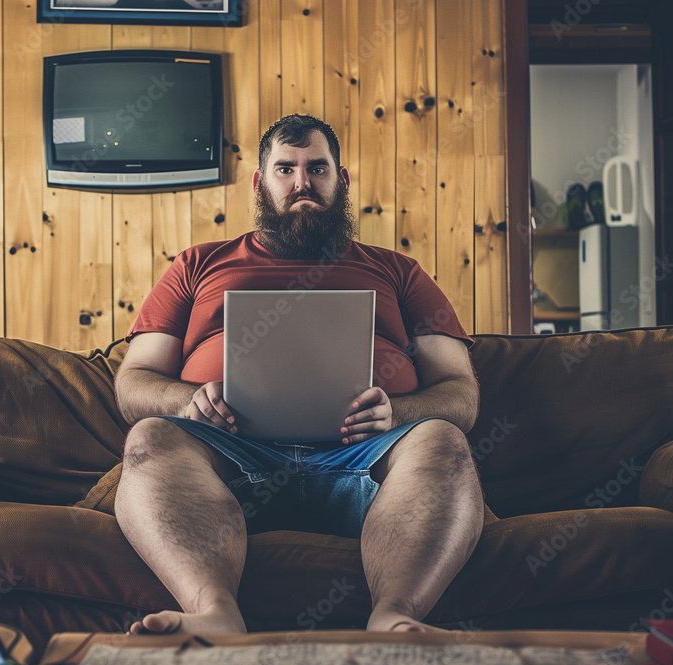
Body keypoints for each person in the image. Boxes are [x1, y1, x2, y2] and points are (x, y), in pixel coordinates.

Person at [113, 113, 485, 636]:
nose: (302, 183)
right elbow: (133, 382)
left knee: (443, 440)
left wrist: (398, 413)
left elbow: (461, 393)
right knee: (149, 436)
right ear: (260, 182)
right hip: (227, 461)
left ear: (342, 180)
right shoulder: (196, 266)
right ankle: (214, 613)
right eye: (285, 169)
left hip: (371, 461)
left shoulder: (399, 272)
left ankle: (395, 618)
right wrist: (186, 401)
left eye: (317, 168)